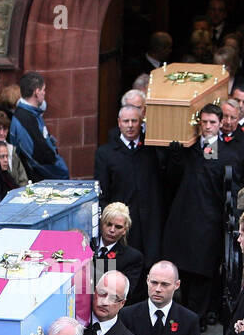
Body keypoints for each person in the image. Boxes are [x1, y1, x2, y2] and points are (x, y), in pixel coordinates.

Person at [161, 104, 226, 320]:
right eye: (204, 122)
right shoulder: (189, 150)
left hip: (208, 220)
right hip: (185, 218)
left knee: (203, 271)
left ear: (221, 124)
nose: (207, 127)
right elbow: (173, 179)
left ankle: (198, 316)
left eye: (212, 123)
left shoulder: (224, 153)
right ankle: (188, 313)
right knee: (185, 269)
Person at [94, 105, 164, 270]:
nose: (130, 125)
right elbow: (102, 192)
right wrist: (109, 223)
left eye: (134, 121)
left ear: (141, 123)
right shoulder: (106, 153)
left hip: (149, 223)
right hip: (120, 224)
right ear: (119, 123)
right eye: (126, 121)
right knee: (114, 269)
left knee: (149, 267)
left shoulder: (152, 149)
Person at [10, 71, 69, 179]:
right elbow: (38, 157)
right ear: (37, 92)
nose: (44, 93)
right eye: (43, 90)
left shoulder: (33, 114)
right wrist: (62, 172)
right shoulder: (25, 119)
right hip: (42, 180)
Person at [91, 202, 144, 296]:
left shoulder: (132, 257)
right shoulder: (87, 245)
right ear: (101, 224)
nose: (112, 230)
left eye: (118, 227)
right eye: (108, 224)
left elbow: (124, 292)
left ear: (124, 230)